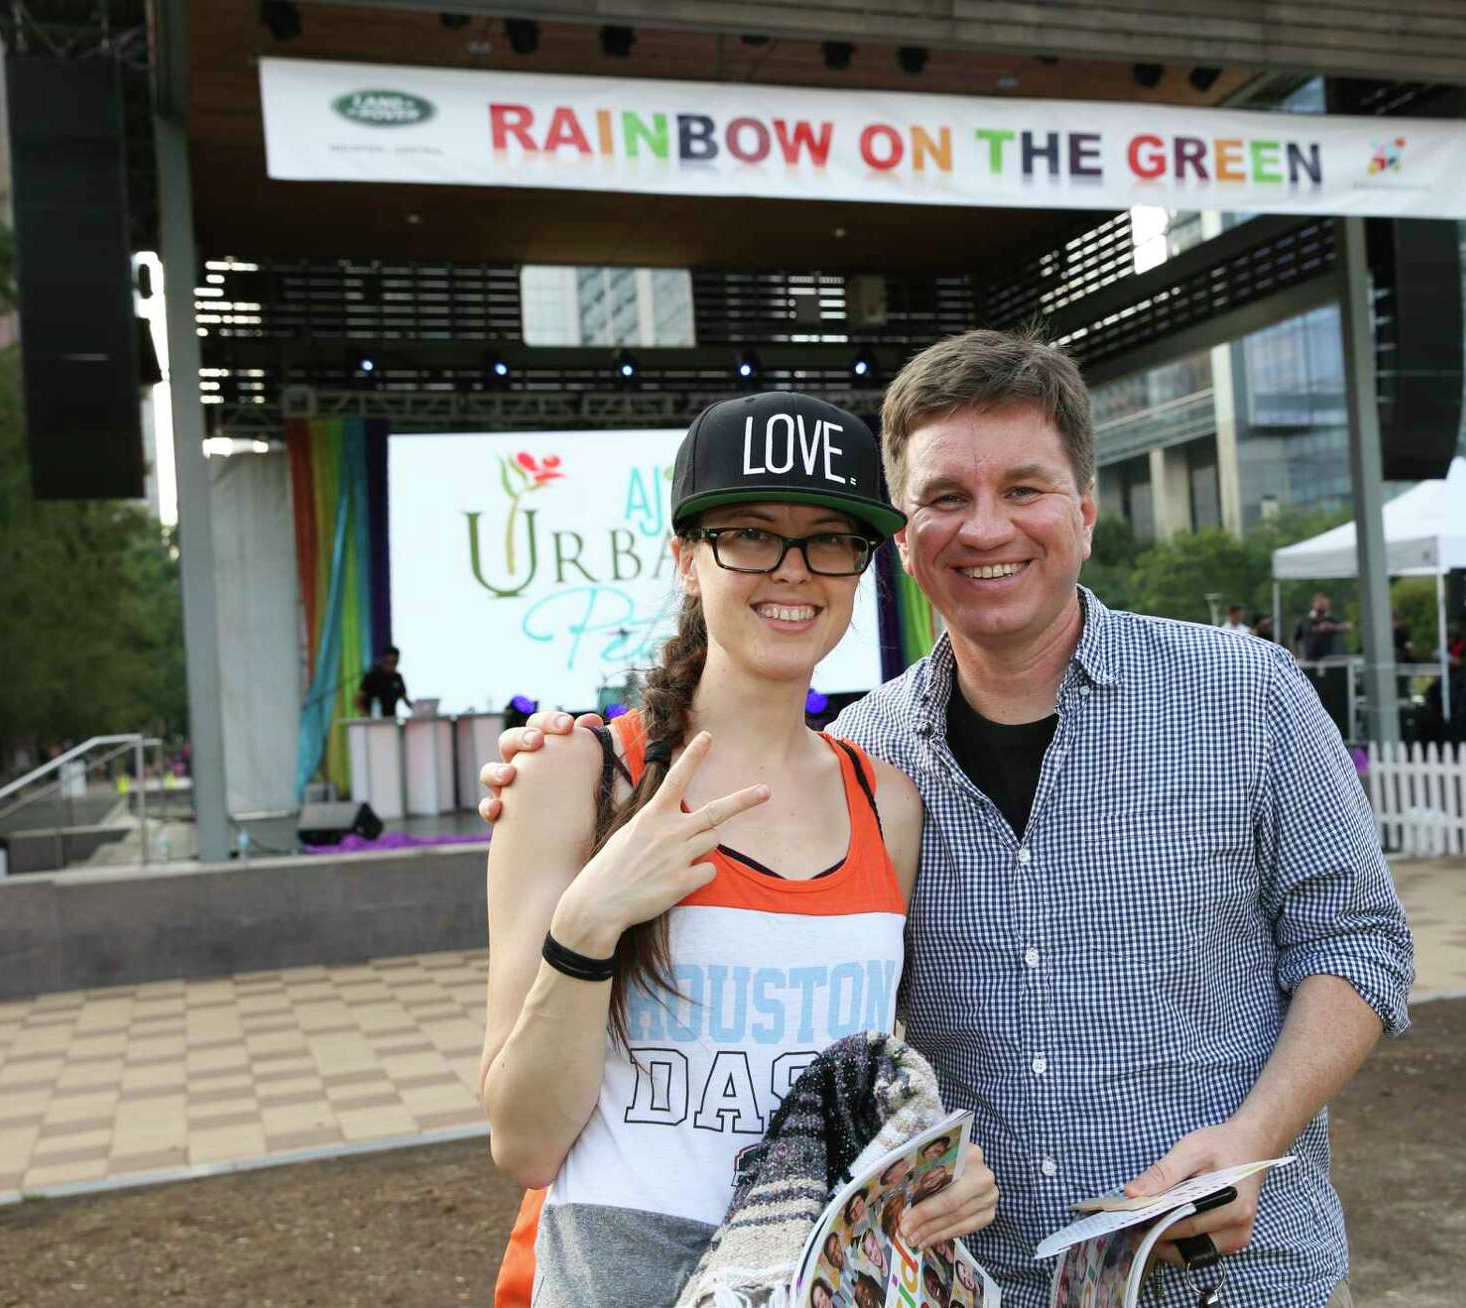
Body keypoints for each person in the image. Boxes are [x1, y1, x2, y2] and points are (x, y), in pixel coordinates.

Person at [484, 331, 1412, 1308]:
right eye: (945, 499)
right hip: (991, 1282)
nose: (984, 530)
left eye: (1023, 489)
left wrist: (1254, 1139)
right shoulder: (875, 756)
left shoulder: (1243, 693)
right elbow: (853, 1056)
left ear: (1086, 514)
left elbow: (1359, 944)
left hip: (1241, 1279)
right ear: (905, 542)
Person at [478, 393, 995, 1307]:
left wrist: (936, 1169)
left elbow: (867, 1077)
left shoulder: (889, 803)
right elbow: (523, 1142)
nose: (793, 572)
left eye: (830, 539)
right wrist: (589, 922)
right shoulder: (577, 773)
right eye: (751, 534)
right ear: (686, 559)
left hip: (827, 1275)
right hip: (622, 1275)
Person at [1293, 593, 1352, 661]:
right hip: (1309, 662)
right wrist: (1296, 656)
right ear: (1314, 603)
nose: (1324, 606)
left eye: (1326, 604)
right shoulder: (1304, 621)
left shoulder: (1330, 619)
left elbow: (1348, 626)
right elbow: (1295, 639)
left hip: (1329, 661)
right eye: (1321, 604)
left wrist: (1332, 627)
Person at [356, 646, 408, 716]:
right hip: (372, 721)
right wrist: (367, 715)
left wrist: (418, 709)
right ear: (383, 660)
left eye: (394, 662)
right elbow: (357, 701)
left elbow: (404, 698)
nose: (391, 665)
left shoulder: (397, 677)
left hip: (391, 720)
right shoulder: (372, 676)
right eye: (388, 662)